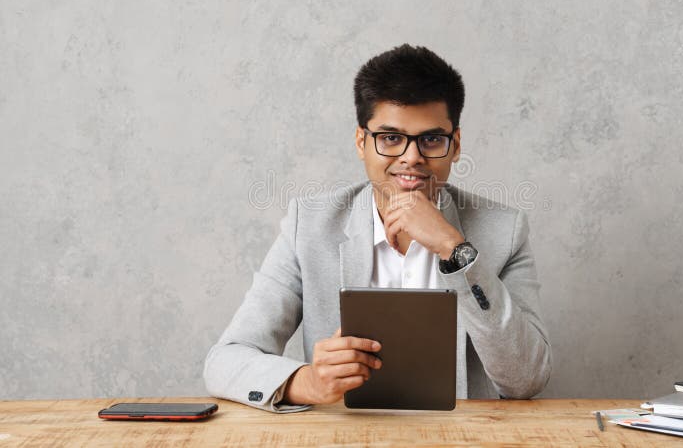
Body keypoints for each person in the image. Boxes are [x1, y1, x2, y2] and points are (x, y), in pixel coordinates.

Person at [204, 44, 551, 412]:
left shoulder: (505, 231)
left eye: (431, 139)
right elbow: (225, 360)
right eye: (391, 138)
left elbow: (526, 379)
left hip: (460, 435)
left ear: (455, 145)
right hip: (345, 435)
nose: (411, 157)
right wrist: (308, 382)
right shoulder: (310, 226)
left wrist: (456, 251)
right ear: (361, 142)